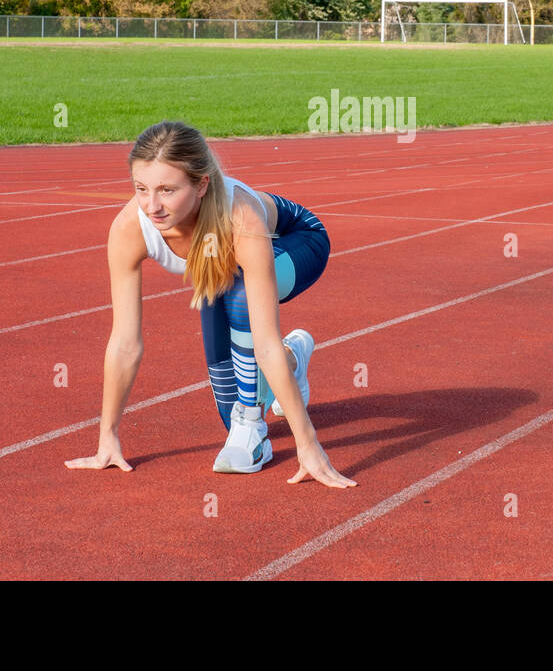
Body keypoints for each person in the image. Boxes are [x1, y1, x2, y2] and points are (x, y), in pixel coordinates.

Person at [66, 120, 355, 488]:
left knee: (240, 300)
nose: (152, 206)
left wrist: (308, 444)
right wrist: (108, 436)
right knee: (226, 409)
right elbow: (125, 342)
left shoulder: (240, 218)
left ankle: (253, 428)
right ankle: (294, 358)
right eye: (141, 188)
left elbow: (264, 340)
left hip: (299, 241)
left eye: (167, 190)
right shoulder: (129, 230)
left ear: (201, 185)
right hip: (225, 269)